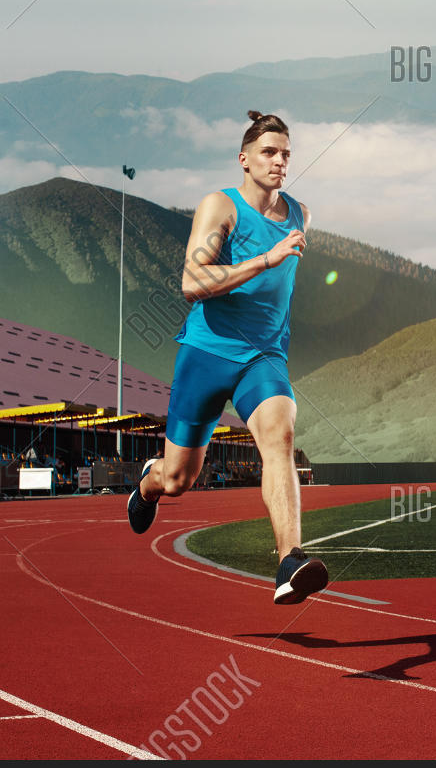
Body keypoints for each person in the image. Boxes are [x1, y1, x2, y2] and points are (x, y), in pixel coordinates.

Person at [127, 110, 327, 605]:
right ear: (244, 159)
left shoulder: (301, 214)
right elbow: (192, 283)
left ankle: (289, 562)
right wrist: (265, 258)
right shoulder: (222, 207)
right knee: (179, 479)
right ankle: (149, 485)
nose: (280, 162)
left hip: (263, 358)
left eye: (286, 154)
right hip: (206, 354)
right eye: (269, 152)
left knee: (280, 435)